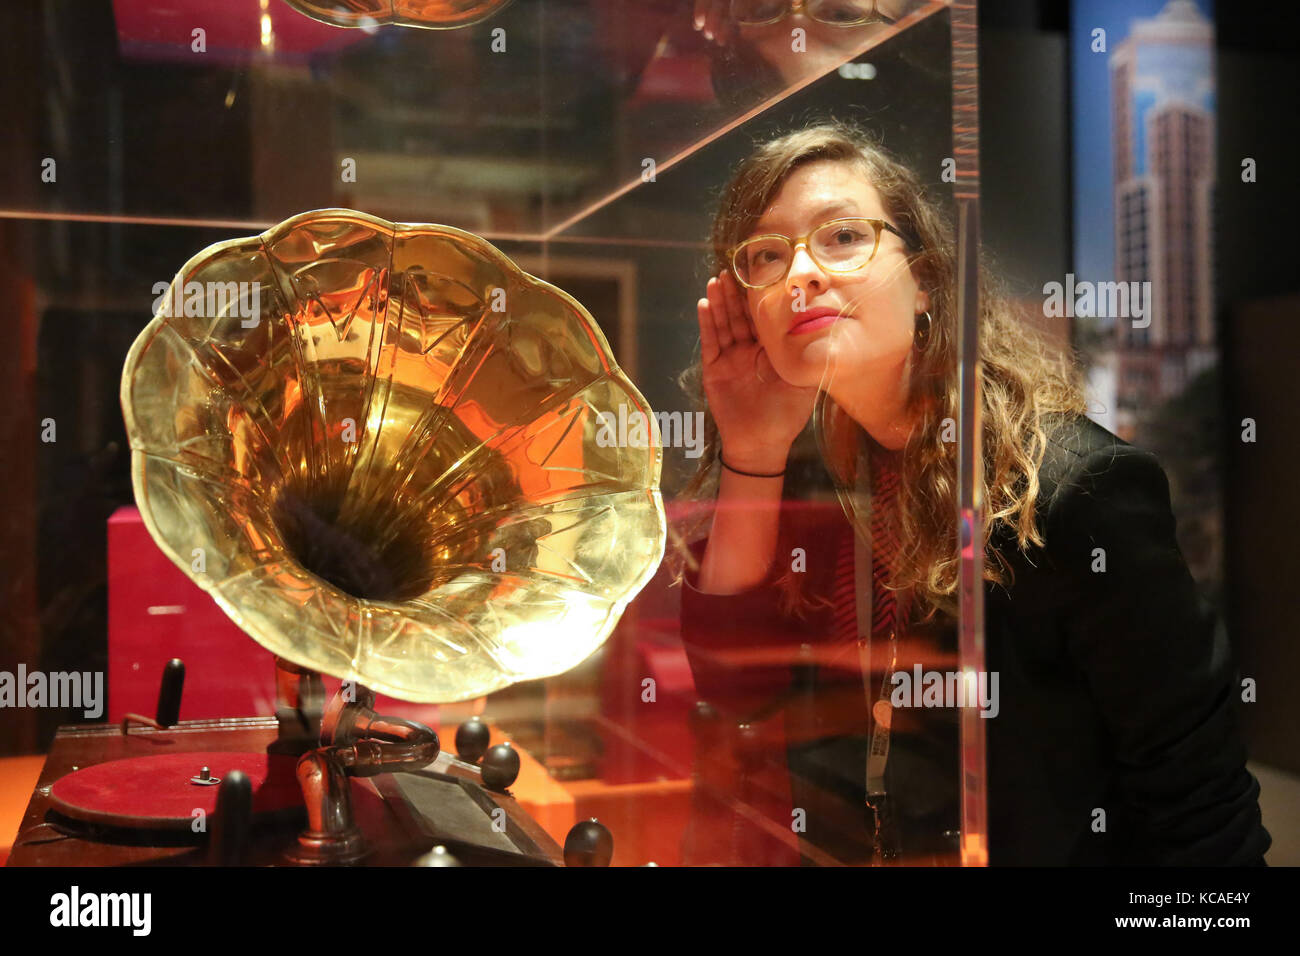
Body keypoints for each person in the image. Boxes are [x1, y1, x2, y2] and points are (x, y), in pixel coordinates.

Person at [671, 119, 1272, 866]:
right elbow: (731, 688)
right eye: (766, 255)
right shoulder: (813, 480)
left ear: (925, 279)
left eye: (842, 237)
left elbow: (1202, 808)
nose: (801, 273)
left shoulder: (1070, 489)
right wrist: (753, 451)